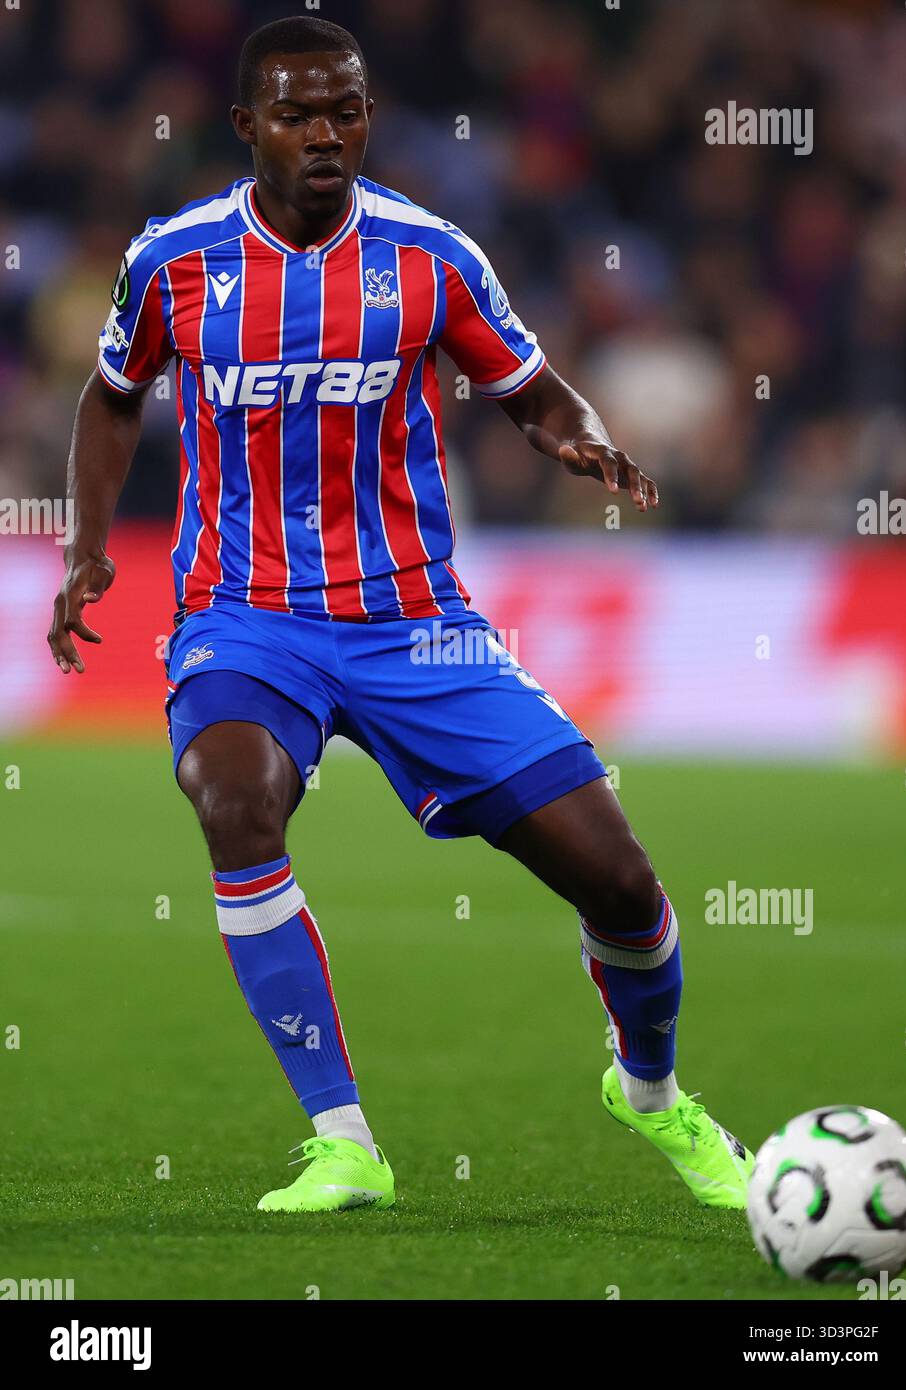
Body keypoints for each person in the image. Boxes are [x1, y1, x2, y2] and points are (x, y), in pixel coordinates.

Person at [49, 16, 752, 1214]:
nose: (327, 134)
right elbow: (113, 397)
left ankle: (651, 1095)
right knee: (232, 795)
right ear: (245, 128)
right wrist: (83, 547)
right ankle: (342, 1140)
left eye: (347, 111)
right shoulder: (176, 258)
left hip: (412, 619)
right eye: (298, 114)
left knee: (622, 885)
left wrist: (576, 432)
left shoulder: (430, 257)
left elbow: (527, 385)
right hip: (243, 609)